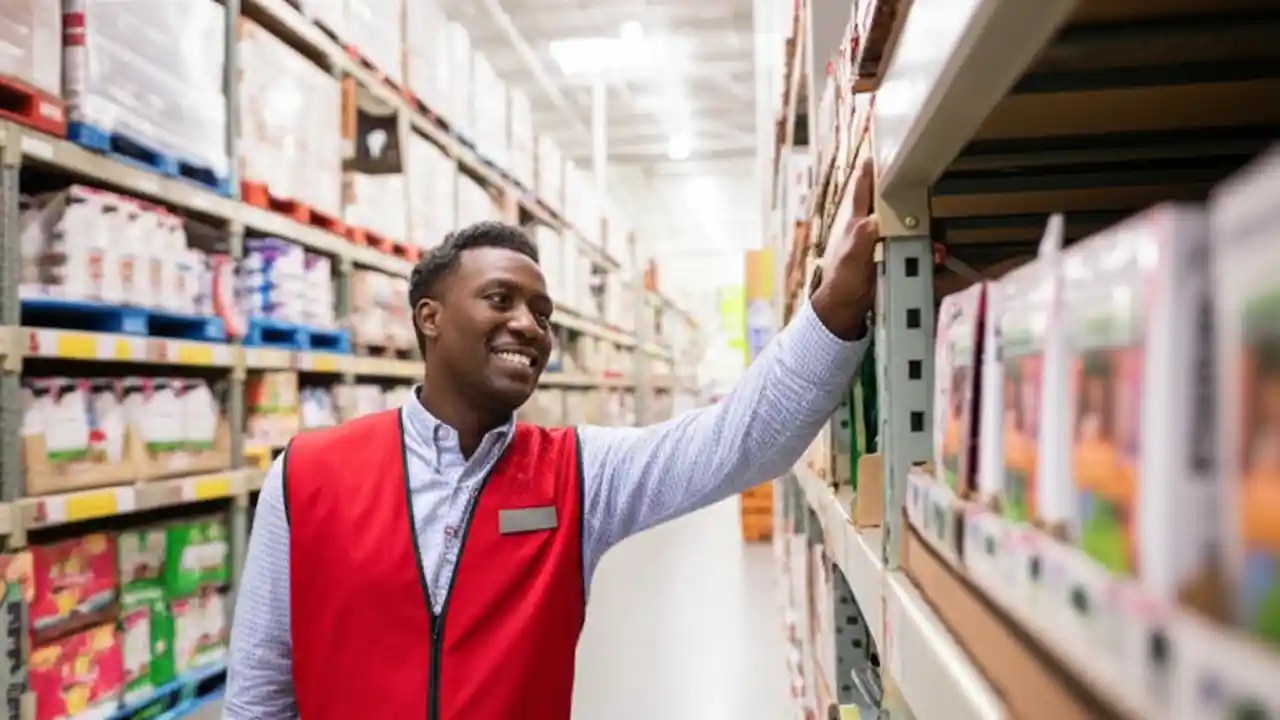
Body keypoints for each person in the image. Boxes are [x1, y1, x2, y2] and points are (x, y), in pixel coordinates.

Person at [225, 159, 880, 719]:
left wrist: (837, 305)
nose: (530, 326)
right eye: (501, 300)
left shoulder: (576, 474)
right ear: (429, 318)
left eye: (542, 314)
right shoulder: (307, 473)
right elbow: (259, 689)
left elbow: (739, 440)